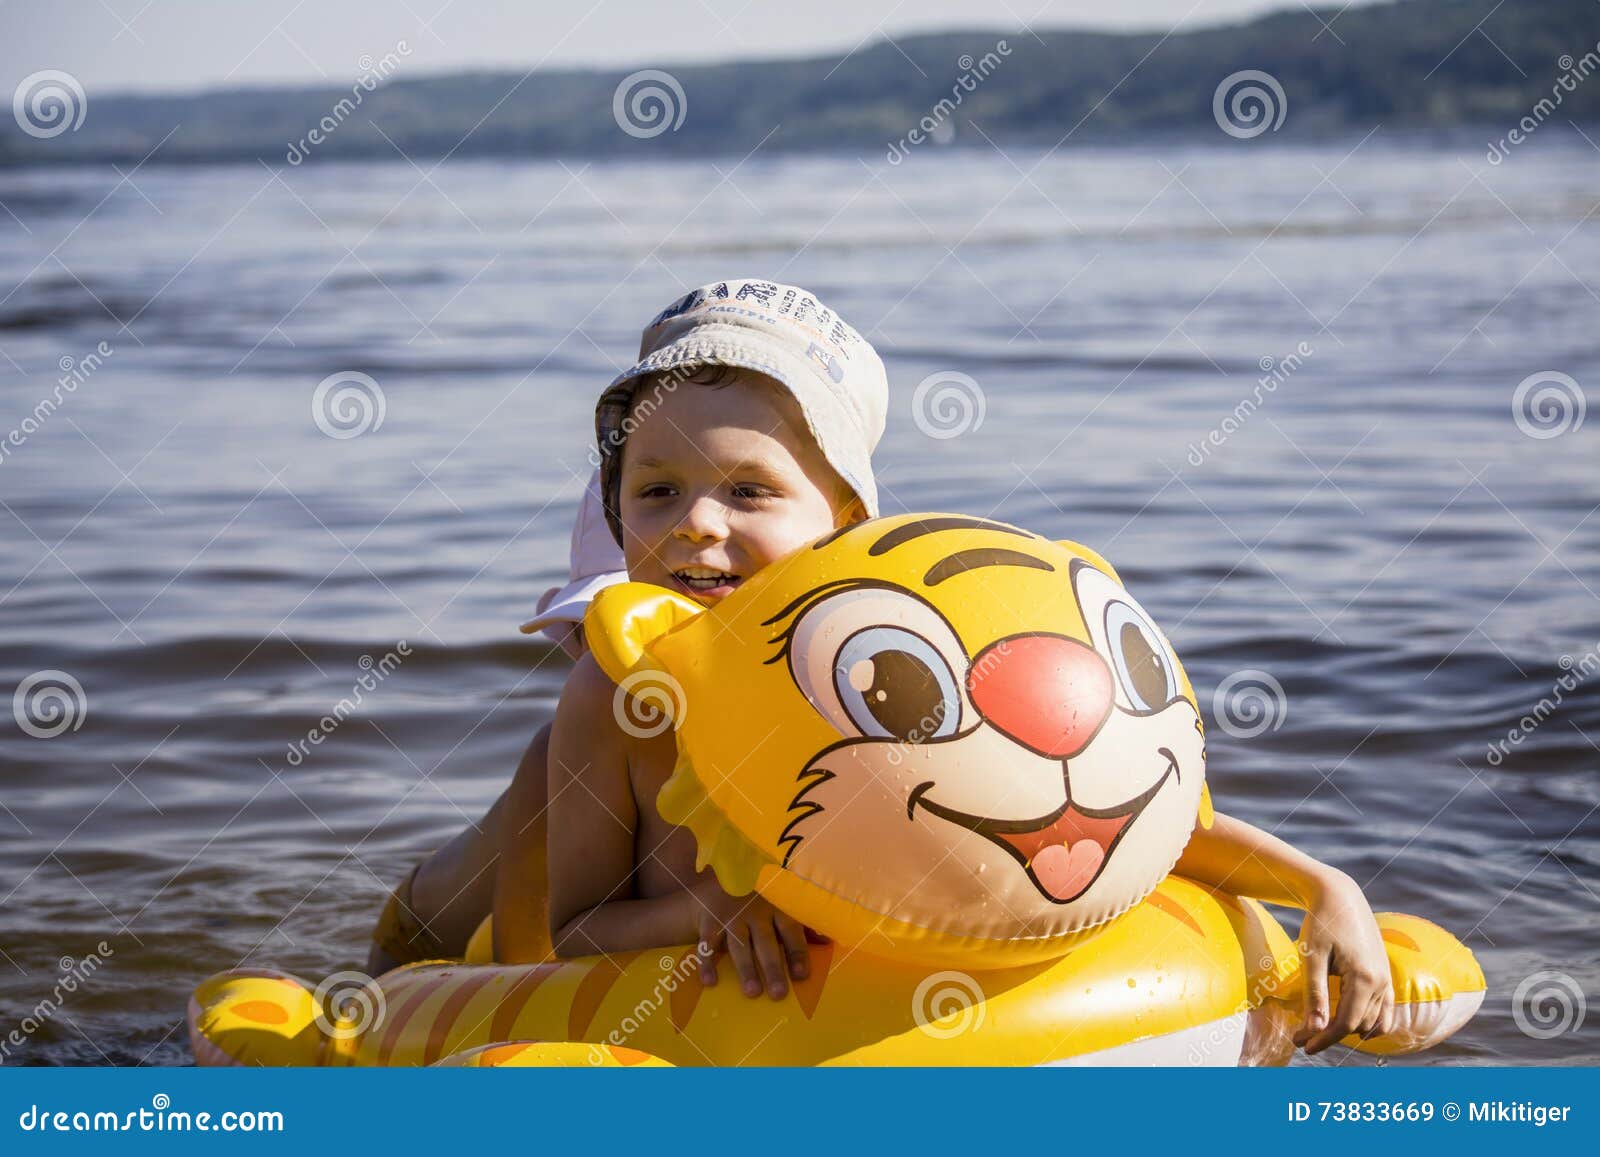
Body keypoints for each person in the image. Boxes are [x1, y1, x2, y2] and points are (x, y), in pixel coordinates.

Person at [371, 278, 1394, 1051]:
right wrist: (710, 906)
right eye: (655, 492)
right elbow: (554, 934)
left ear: (845, 520)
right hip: (466, 921)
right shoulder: (622, 694)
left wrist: (1322, 884)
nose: (695, 526)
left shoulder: (890, 662)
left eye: (748, 491)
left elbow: (1126, 820)